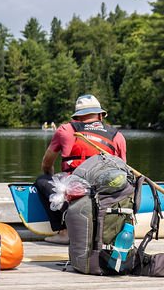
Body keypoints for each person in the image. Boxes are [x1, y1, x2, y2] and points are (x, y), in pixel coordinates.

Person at [34, 94, 127, 244]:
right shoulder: (117, 136)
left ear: (76, 117)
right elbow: (123, 172)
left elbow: (46, 164)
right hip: (105, 194)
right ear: (100, 115)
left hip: (75, 194)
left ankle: (65, 231)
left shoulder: (65, 130)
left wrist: (56, 183)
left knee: (42, 180)